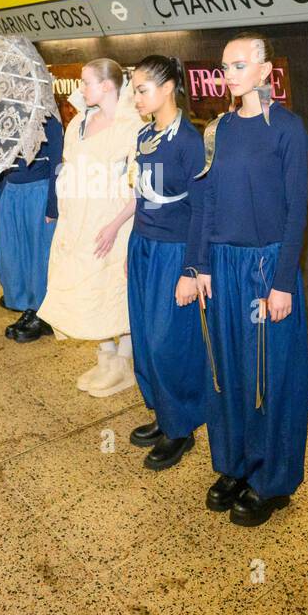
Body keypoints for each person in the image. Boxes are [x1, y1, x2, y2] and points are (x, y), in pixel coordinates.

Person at [192, 31, 308, 527]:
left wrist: (282, 281)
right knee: (229, 369)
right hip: (223, 264)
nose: (230, 75)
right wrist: (197, 266)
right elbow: (208, 204)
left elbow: (297, 209)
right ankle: (235, 464)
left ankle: (273, 478)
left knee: (271, 376)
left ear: (265, 72)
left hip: (266, 268)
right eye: (225, 66)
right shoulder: (217, 130)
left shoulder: (287, 129)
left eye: (240, 65)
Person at [38, 58, 140, 398]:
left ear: (108, 86)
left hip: (113, 220)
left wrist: (115, 225)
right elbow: (68, 167)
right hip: (78, 220)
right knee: (86, 288)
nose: (81, 89)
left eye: (87, 83)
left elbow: (140, 185)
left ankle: (124, 361)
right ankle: (105, 356)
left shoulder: (131, 125)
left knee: (113, 290)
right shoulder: (79, 122)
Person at [124, 55, 207, 470]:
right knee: (144, 338)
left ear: (168, 88)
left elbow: (201, 209)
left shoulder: (189, 143)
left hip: (174, 251)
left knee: (168, 342)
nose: (135, 97)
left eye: (142, 89)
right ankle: (163, 414)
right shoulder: (144, 135)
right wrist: (133, 249)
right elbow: (142, 196)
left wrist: (191, 270)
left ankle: (182, 426)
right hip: (144, 246)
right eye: (134, 89)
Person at [0, 110, 62, 343]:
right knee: (13, 252)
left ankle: (40, 311)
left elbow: (57, 164)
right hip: (11, 190)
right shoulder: (5, 116)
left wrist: (53, 205)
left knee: (39, 253)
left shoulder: (48, 119)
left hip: (38, 191)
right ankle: (25, 302)